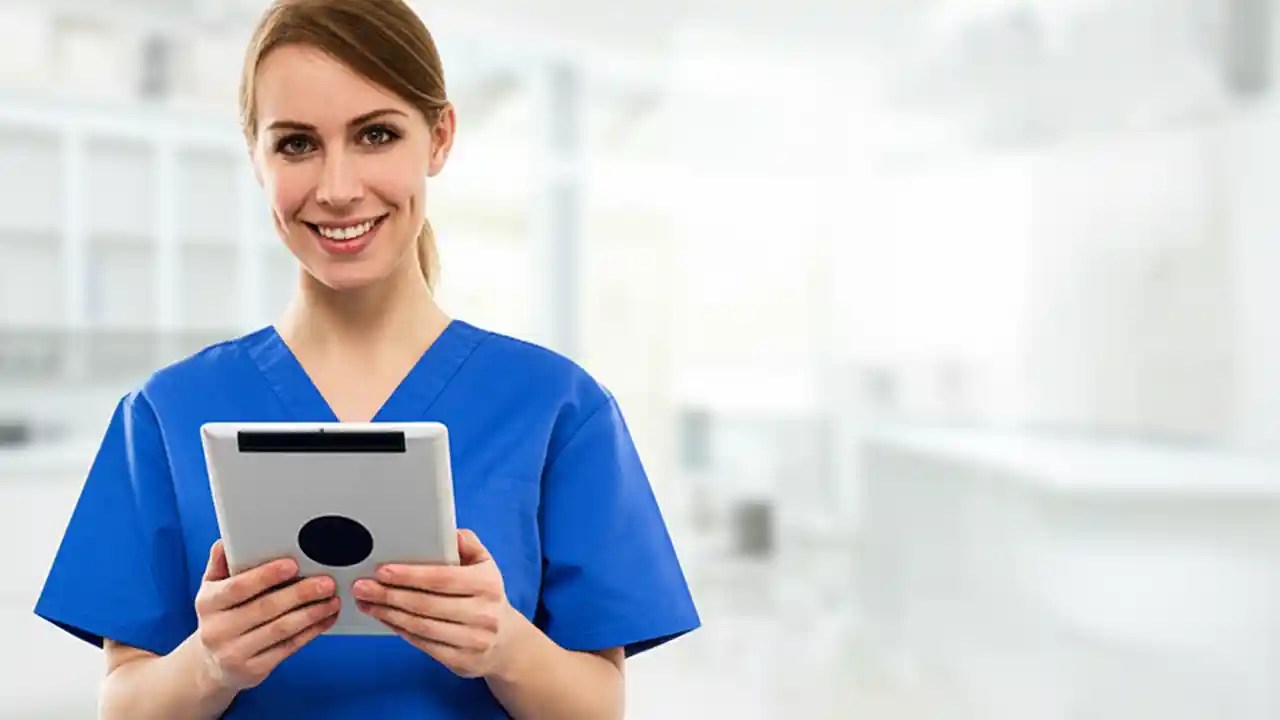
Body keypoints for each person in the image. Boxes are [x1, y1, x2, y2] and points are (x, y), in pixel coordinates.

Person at [32, 0, 701, 717]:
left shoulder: (558, 409)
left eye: (376, 134)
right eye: (296, 144)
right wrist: (211, 663)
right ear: (256, 157)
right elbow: (124, 702)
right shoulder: (167, 415)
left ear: (439, 137)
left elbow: (599, 705)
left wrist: (505, 646)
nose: (338, 189)